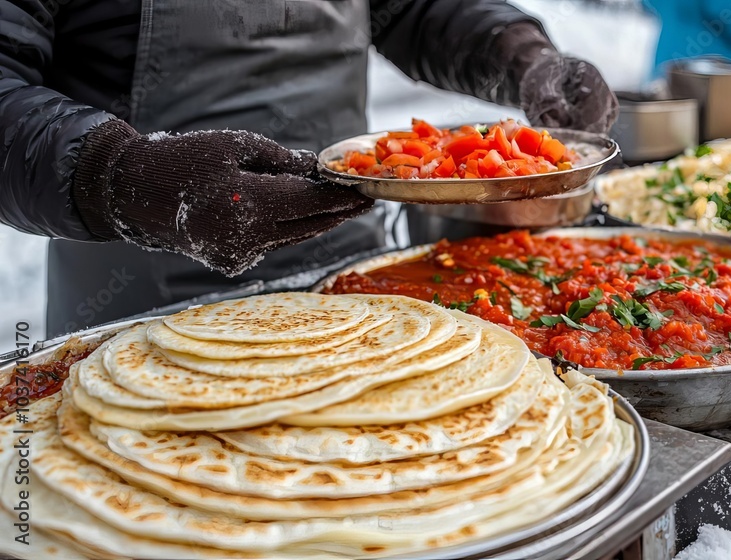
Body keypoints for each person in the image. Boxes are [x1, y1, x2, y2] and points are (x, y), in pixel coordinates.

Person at [0, 0, 618, 337]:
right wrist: (126, 175)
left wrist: (516, 52)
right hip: (142, 305)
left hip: (350, 278)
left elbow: (412, 9)